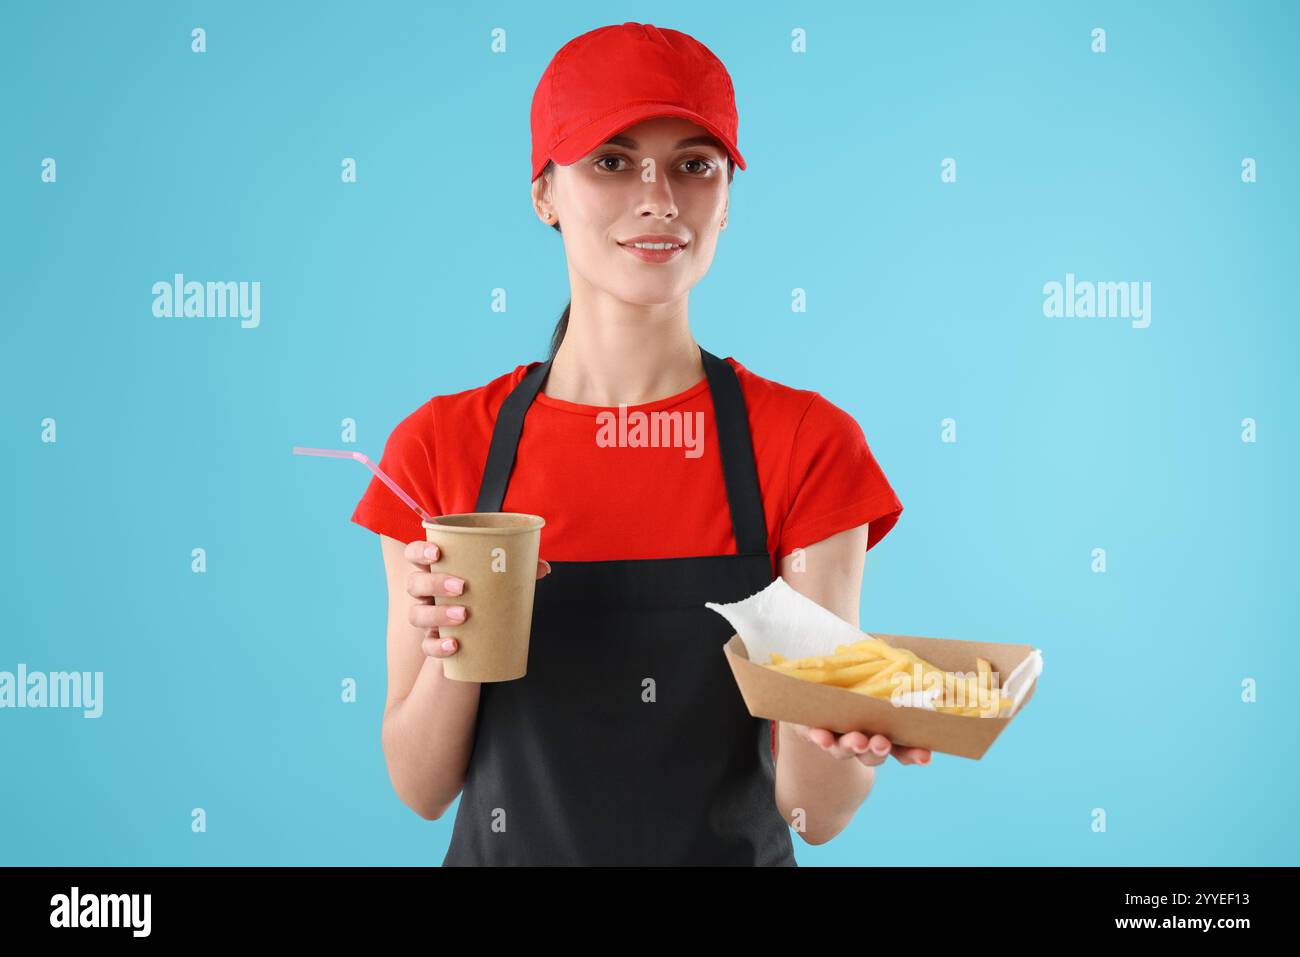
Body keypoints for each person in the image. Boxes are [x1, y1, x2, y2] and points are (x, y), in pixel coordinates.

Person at [351, 21, 929, 867]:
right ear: (545, 193)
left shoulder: (807, 445)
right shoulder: (441, 448)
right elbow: (421, 785)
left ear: (727, 196)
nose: (658, 197)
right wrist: (457, 648)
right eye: (611, 161)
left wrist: (840, 723)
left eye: (695, 164)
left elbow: (816, 813)